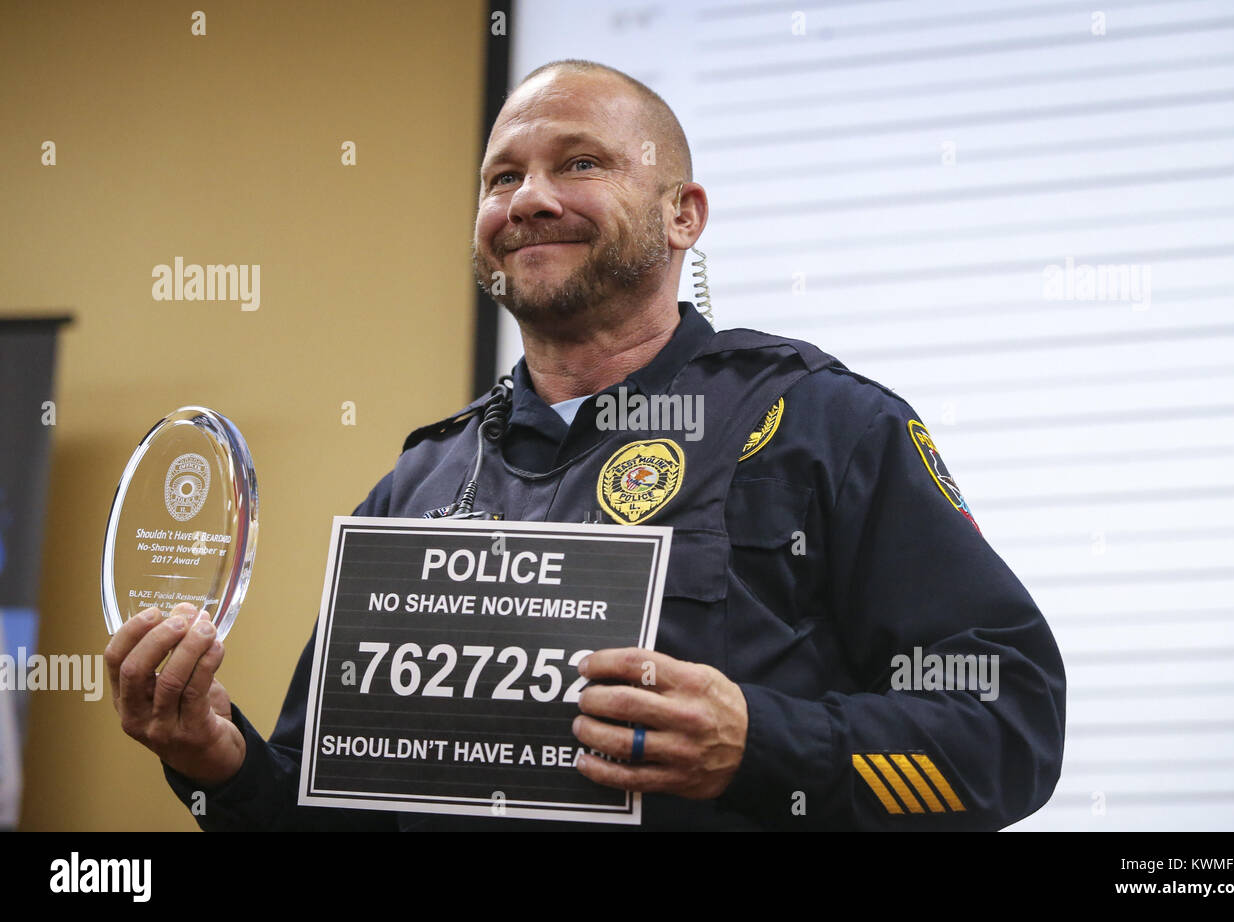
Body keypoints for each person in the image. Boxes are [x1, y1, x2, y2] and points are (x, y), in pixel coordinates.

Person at [106, 59, 1066, 830]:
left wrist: (758, 741)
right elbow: (329, 812)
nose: (528, 198)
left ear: (683, 214)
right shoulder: (415, 484)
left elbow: (1011, 727)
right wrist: (214, 761)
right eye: (501, 177)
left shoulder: (825, 423)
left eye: (580, 164)